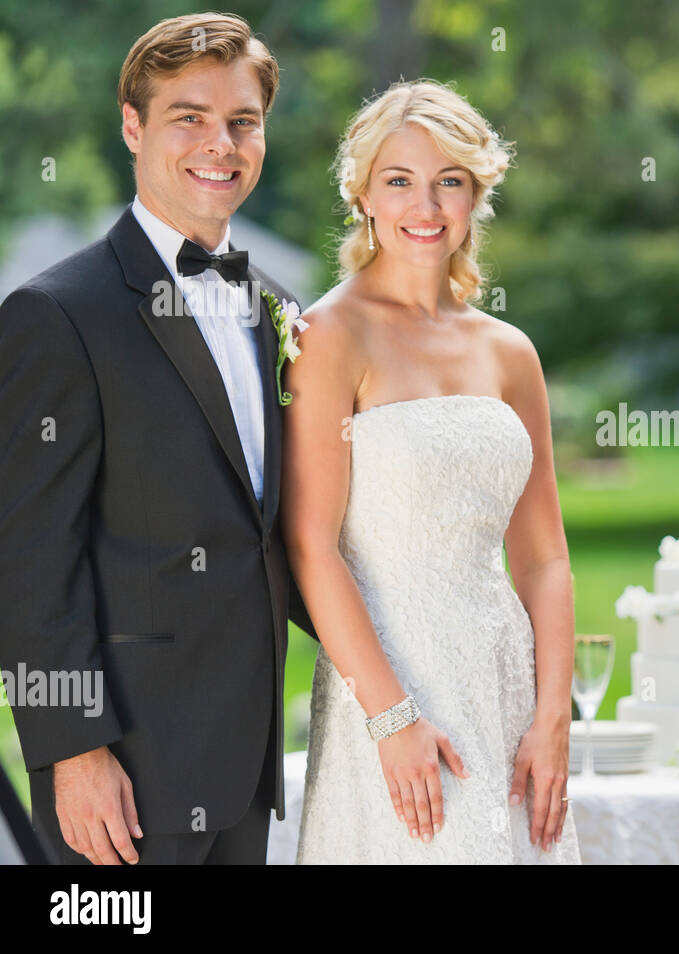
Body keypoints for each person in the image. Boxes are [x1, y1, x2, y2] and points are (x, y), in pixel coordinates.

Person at [0, 13, 315, 865]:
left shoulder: (276, 309)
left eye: (242, 122)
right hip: (122, 779)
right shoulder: (56, 315)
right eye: (190, 117)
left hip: (248, 766)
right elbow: (26, 557)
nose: (222, 143)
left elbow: (282, 536)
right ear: (133, 127)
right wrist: (73, 750)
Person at [285, 79, 580, 863]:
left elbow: (544, 555)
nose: (427, 204)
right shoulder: (327, 336)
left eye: (449, 180)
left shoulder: (509, 353)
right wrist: (390, 717)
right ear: (364, 196)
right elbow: (311, 546)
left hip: (506, 688)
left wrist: (553, 717)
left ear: (476, 194)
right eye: (400, 180)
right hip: (387, 690)